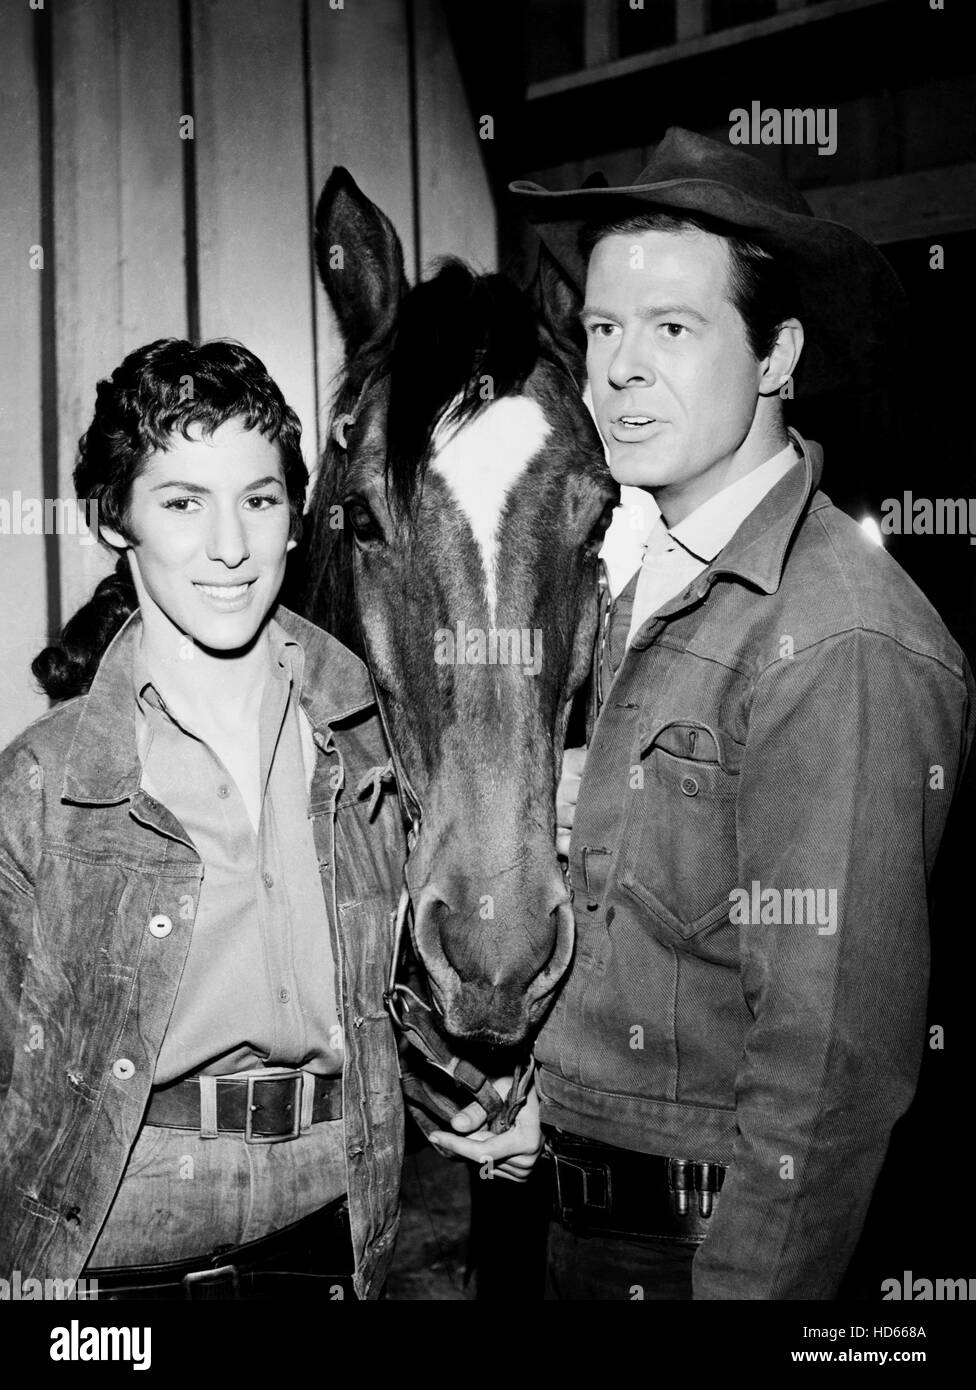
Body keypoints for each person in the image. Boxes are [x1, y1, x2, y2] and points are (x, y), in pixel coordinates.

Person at [497, 126, 975, 1299]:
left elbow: (827, 1073)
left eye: (672, 329)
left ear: (776, 357)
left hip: (705, 1258)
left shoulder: (838, 633)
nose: (617, 370)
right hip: (575, 1225)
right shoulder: (630, 581)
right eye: (603, 329)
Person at [0, 338, 410, 1299]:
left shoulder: (367, 742)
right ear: (116, 523)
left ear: (296, 521)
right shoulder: (40, 789)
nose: (230, 546)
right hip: (117, 1264)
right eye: (183, 503)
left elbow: (404, 988)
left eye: (259, 501)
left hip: (332, 1244)